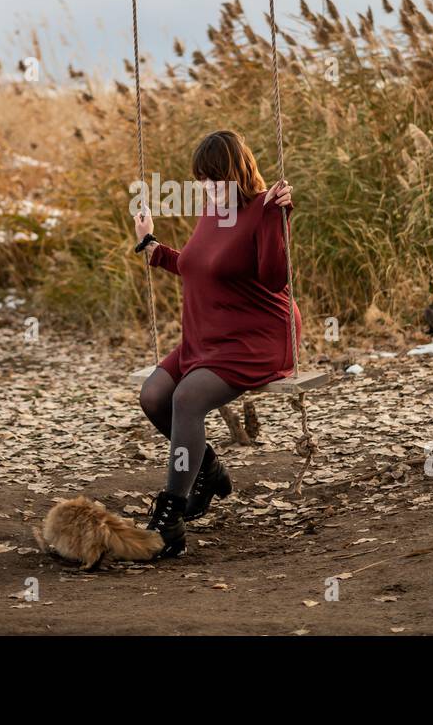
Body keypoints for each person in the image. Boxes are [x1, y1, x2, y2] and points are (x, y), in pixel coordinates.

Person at [131, 129, 301, 558]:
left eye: (214, 178)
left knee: (186, 398)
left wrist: (279, 220)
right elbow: (200, 267)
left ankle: (170, 518)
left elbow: (275, 278)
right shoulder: (213, 209)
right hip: (208, 334)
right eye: (201, 180)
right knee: (154, 396)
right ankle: (208, 469)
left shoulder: (264, 209)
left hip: (257, 335)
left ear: (236, 172)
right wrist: (152, 246)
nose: (206, 188)